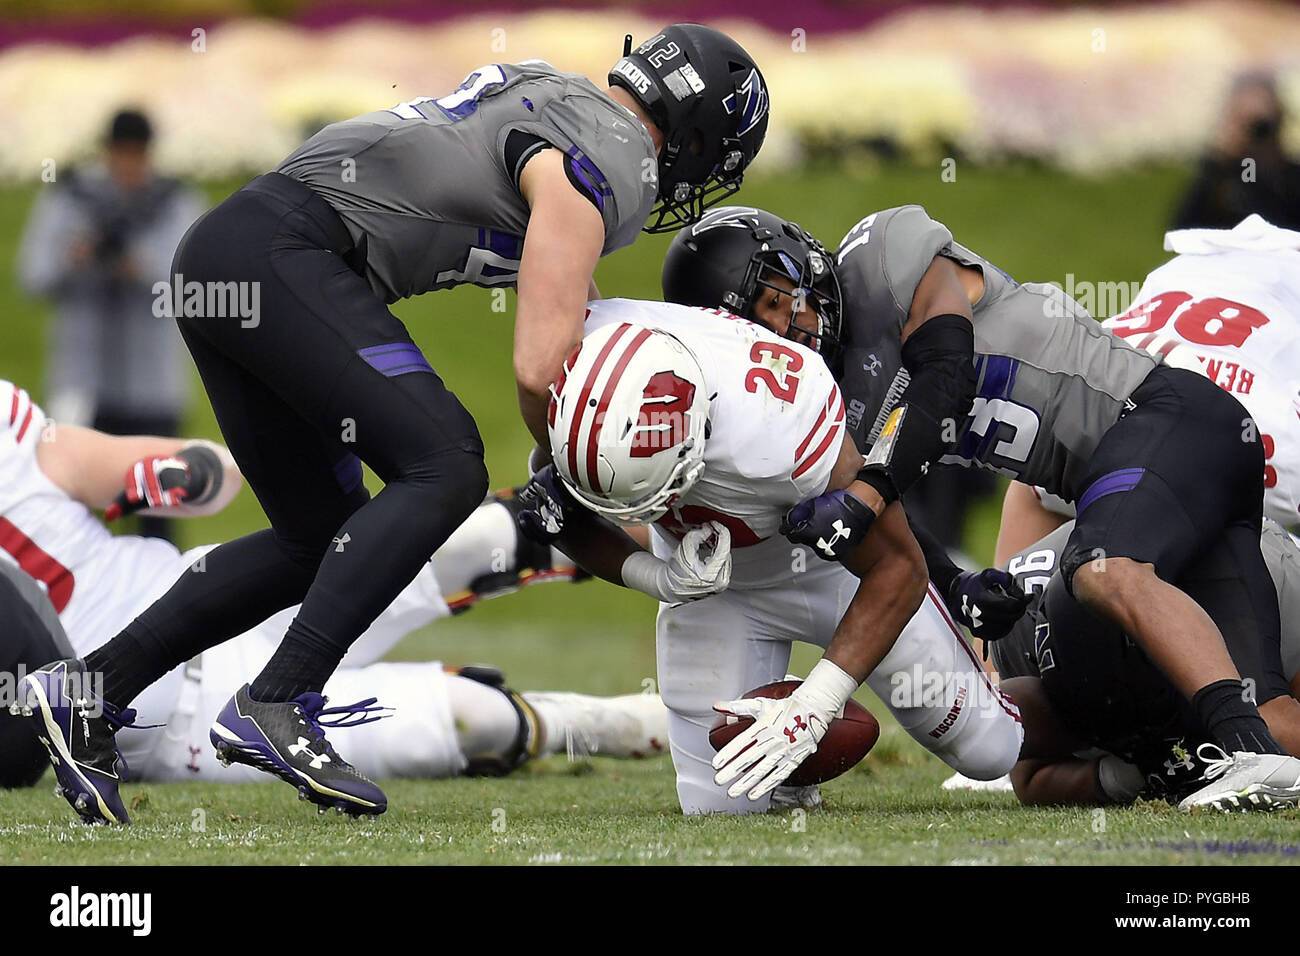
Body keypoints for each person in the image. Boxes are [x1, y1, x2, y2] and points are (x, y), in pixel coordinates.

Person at [18, 25, 768, 821]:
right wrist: (565, 467)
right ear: (692, 131)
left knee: (320, 540)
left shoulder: (566, 95)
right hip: (293, 253)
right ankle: (282, 697)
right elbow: (541, 360)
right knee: (447, 463)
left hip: (237, 250)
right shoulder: (619, 153)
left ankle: (86, 690)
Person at [660, 203, 1300, 810]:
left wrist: (866, 491)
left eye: (778, 300)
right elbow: (894, 531)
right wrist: (956, 581)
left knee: (1103, 568)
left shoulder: (880, 255)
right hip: (1149, 478)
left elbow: (945, 372)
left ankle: (1237, 750)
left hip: (1168, 418)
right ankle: (1254, 754)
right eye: (760, 328)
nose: (787, 327)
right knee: (1269, 718)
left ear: (798, 262)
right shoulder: (825, 400)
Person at [0, 381, 665, 815]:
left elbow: (156, 470)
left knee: (474, 539)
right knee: (474, 718)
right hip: (179, 731)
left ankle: (676, 534)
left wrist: (180, 469)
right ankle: (641, 724)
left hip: (217, 597)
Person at [519, 292, 1023, 814]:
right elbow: (560, 513)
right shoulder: (567, 362)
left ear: (699, 436)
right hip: (713, 588)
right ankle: (781, 740)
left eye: (660, 492)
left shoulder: (783, 428)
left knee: (992, 751)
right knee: (720, 808)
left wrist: (816, 704)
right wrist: (660, 578)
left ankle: (1029, 685)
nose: (642, 514)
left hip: (831, 569)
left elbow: (898, 567)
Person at [989, 516, 1300, 810]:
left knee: (1264, 737)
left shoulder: (1257, 586)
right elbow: (1029, 777)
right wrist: (1128, 776)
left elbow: (1284, 735)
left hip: (1233, 553)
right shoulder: (1012, 622)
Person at [16, 108, 205, 542]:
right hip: (84, 380)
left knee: (160, 508)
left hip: (152, 385)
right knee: (76, 514)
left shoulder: (175, 202)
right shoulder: (71, 198)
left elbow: (190, 285)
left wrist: (136, 265)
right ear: (107, 151)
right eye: (121, 154)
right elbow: (34, 275)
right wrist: (75, 257)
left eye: (136, 155)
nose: (128, 165)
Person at [1171, 72, 1300, 233]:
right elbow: (1183, 226)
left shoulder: (1290, 177)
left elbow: (1267, 217)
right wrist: (1221, 162)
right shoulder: (1226, 174)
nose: (1255, 133)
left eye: (1261, 124)